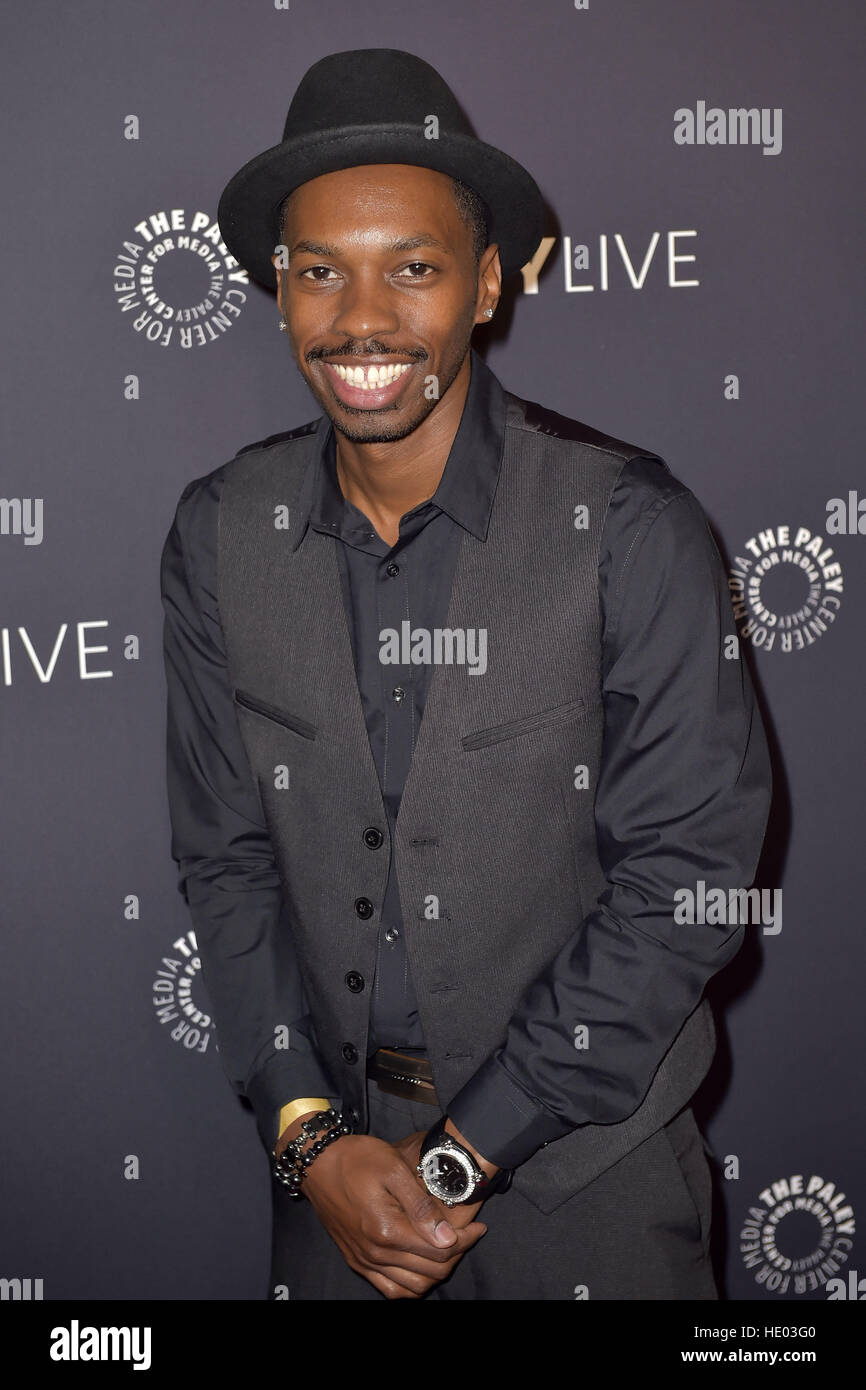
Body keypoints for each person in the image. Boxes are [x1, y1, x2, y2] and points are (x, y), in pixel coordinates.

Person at [160, 47, 772, 1300]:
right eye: (319, 271)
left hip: (584, 1183)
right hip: (336, 1180)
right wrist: (309, 1136)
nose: (362, 318)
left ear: (487, 284)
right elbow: (225, 860)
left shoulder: (630, 525)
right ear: (278, 292)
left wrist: (457, 1160)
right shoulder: (218, 532)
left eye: (414, 269)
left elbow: (685, 880)